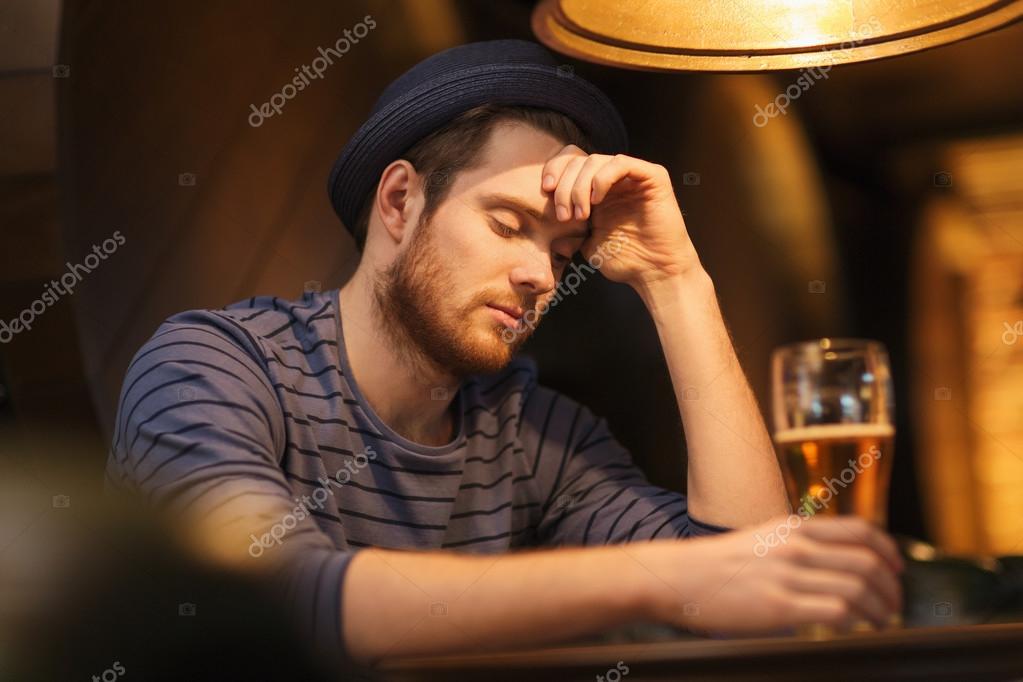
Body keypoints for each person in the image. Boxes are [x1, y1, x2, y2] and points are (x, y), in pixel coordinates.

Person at [104, 39, 904, 673]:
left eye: (564, 249)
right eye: (507, 224)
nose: (541, 275)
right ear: (398, 201)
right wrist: (674, 580)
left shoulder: (538, 436)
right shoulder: (211, 365)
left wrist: (676, 283)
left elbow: (749, 582)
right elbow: (277, 599)